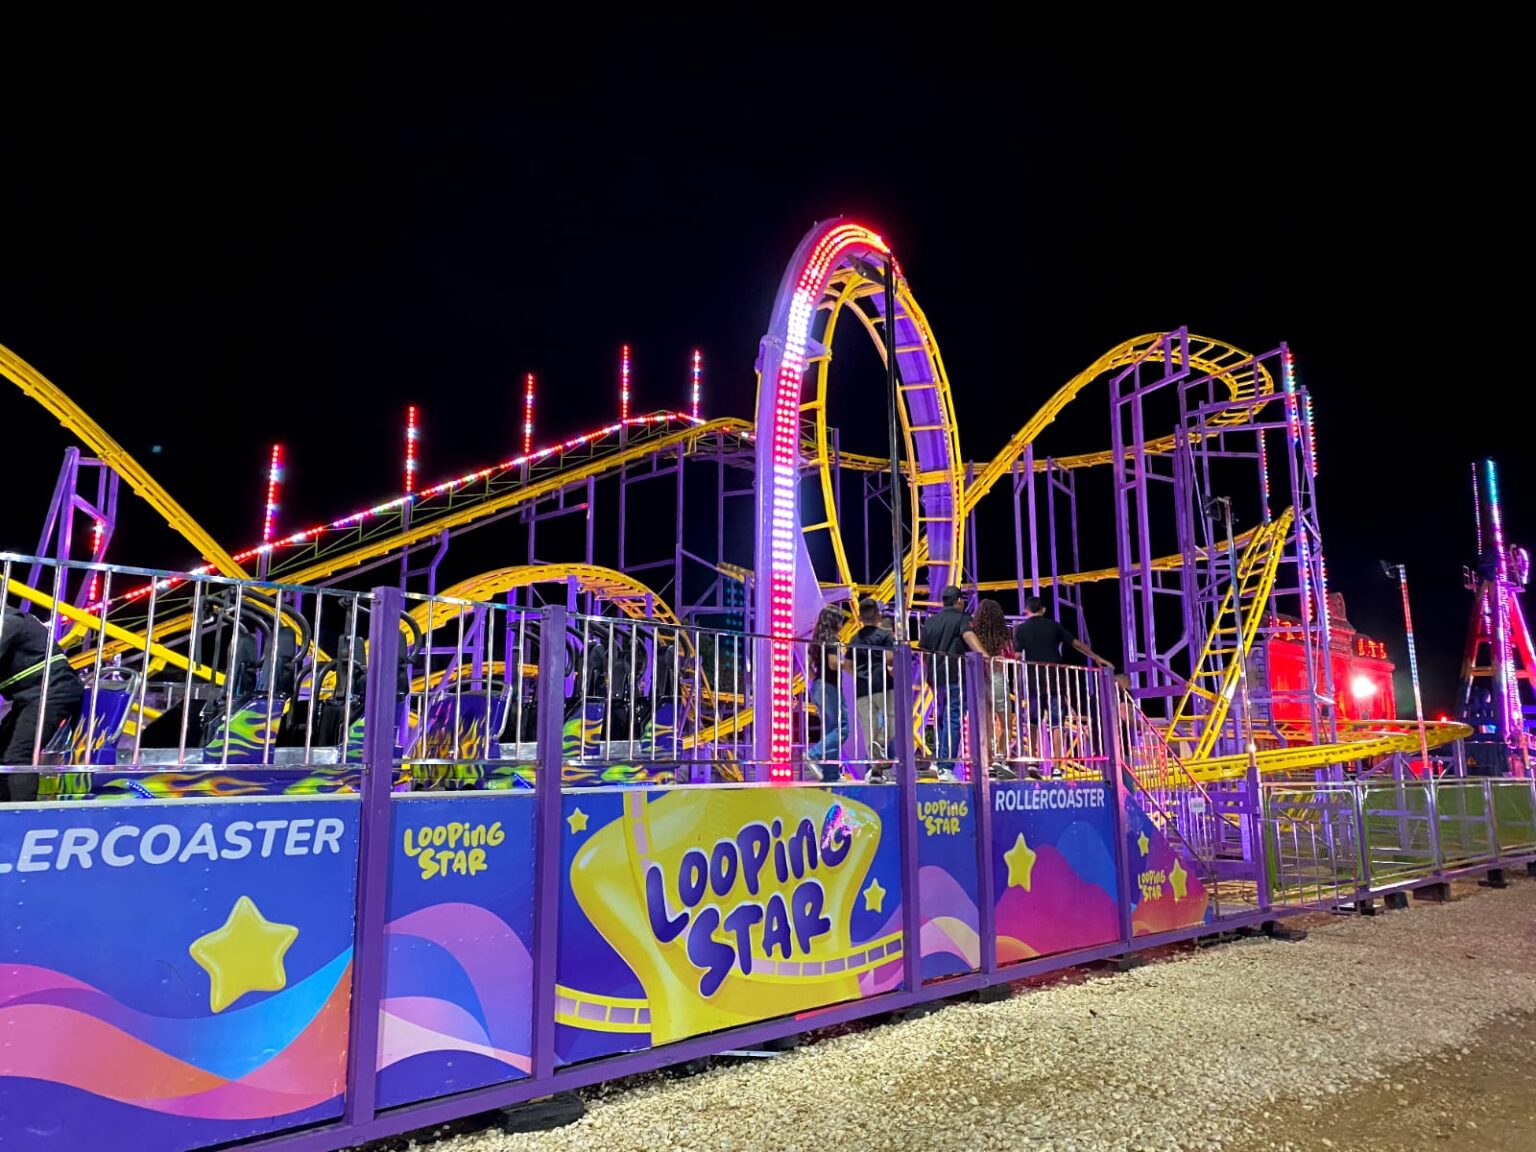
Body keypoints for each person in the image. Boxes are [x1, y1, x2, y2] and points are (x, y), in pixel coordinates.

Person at [1012, 596, 1112, 774]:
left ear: (1026, 610)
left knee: (1033, 721)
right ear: (1043, 609)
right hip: (1055, 681)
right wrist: (1096, 657)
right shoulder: (1053, 625)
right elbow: (1075, 643)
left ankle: (1033, 761)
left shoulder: (1021, 629)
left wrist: (1016, 682)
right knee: (1057, 723)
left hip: (1034, 681)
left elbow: (1018, 658)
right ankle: (1057, 766)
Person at [1, 606, 85, 802]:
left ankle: (22, 815)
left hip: (52, 690)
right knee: (3, 752)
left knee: (19, 756)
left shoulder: (10, 620)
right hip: (30, 695)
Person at [918, 586, 984, 781]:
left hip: (936, 677)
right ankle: (945, 767)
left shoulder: (931, 622)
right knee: (953, 718)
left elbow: (924, 653)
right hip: (955, 675)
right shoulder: (962, 618)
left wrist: (928, 675)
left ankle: (938, 762)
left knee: (941, 719)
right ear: (959, 601)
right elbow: (969, 636)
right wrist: (986, 657)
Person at [971, 599, 1018, 780]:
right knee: (1006, 722)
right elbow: (1010, 655)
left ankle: (989, 762)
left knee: (987, 724)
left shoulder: (975, 633)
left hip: (979, 678)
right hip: (997, 676)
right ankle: (1001, 757)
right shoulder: (1004, 635)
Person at [805, 605, 850, 782]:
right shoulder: (833, 640)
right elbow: (833, 663)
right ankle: (814, 754)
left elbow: (807, 664)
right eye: (840, 621)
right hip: (830, 686)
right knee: (842, 728)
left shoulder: (816, 641)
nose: (841, 625)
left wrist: (816, 680)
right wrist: (848, 664)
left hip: (818, 686)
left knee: (831, 729)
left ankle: (831, 774)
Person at [851, 600, 895, 778]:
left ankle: (875, 769)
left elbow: (848, 665)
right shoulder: (884, 636)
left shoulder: (854, 639)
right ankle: (881, 742)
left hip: (862, 688)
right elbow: (890, 658)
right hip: (882, 684)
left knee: (869, 727)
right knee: (893, 718)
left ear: (860, 617)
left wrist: (859, 675)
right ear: (878, 614)